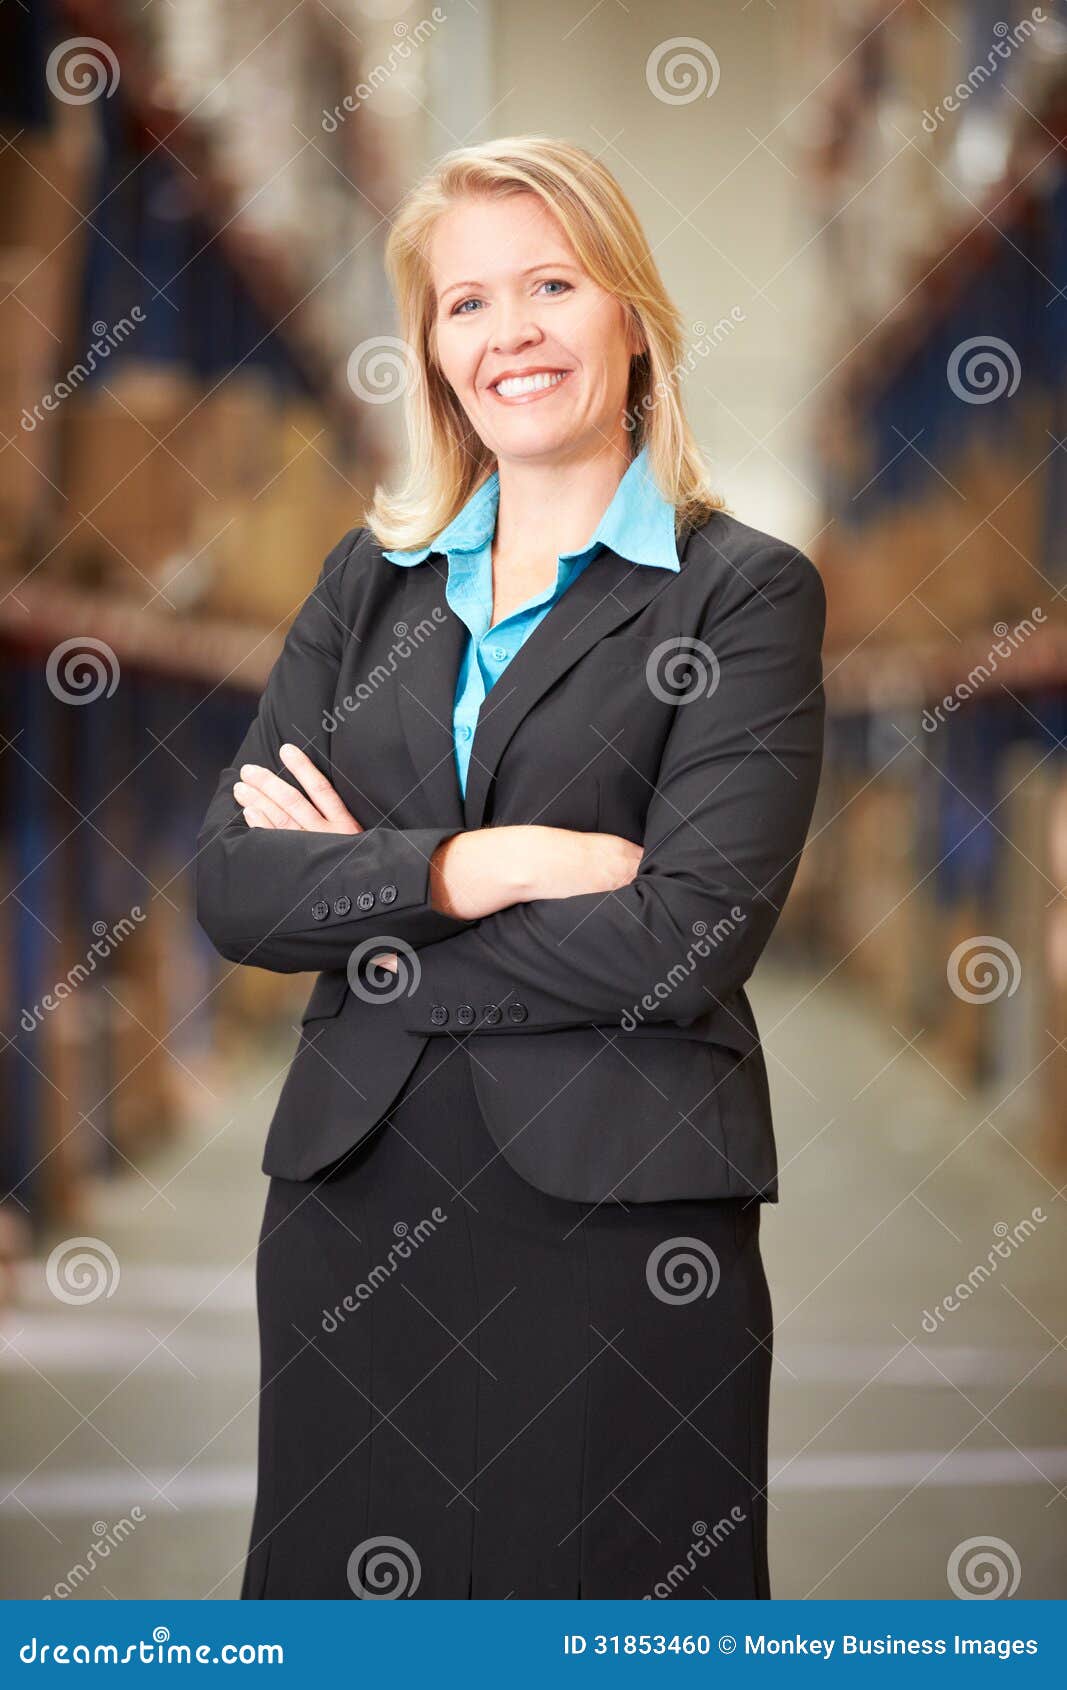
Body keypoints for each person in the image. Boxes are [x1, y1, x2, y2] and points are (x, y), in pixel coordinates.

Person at [196, 134, 826, 1600]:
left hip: (621, 1224)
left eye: (552, 283)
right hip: (355, 1208)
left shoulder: (741, 594)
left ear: (631, 318)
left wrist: (363, 901)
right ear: (429, 347)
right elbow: (234, 887)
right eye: (465, 301)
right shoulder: (368, 585)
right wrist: (476, 866)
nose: (510, 333)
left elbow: (686, 937)